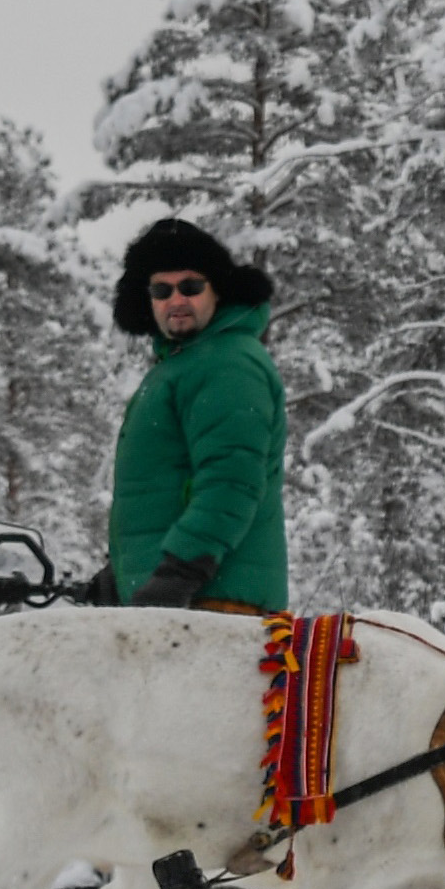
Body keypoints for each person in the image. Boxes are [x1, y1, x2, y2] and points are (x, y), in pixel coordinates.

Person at [88, 218, 290, 610]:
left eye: (191, 287)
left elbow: (231, 481)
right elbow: (163, 490)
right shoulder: (183, 367)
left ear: (218, 290)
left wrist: (179, 573)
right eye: (161, 289)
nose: (176, 300)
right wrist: (123, 573)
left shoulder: (227, 364)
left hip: (214, 602)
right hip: (187, 602)